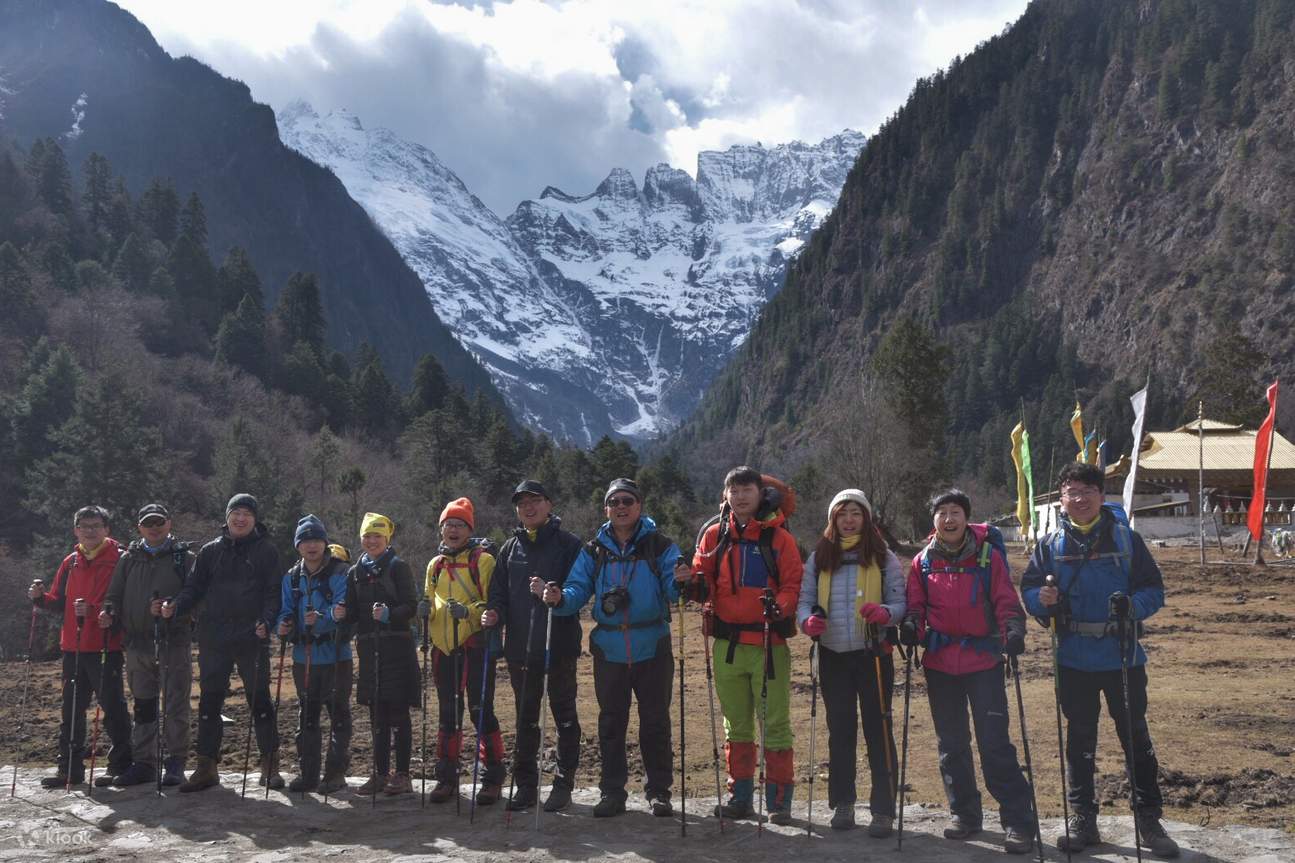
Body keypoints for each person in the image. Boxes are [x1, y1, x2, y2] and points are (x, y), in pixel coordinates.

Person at [1021, 463, 1179, 858]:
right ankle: (1082, 819)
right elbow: (1029, 590)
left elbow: (1153, 590)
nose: (1079, 498)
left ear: (1100, 495)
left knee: (1135, 737)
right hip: (1072, 655)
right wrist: (1040, 602)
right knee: (1079, 740)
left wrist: (1133, 606)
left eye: (1087, 490)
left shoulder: (1127, 540)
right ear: (1061, 498)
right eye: (1071, 491)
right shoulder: (1050, 544)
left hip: (1122, 656)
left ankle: (1149, 820)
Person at [539, 478, 687, 818]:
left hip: (653, 646)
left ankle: (659, 792)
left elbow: (674, 590)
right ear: (606, 508)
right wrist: (561, 599)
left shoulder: (661, 546)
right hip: (609, 651)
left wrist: (682, 581)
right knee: (611, 723)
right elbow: (577, 588)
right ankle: (612, 792)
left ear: (639, 505)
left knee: (655, 723)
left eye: (627, 501)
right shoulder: (594, 551)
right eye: (614, 502)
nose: (621, 507)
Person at [900, 489, 1035, 854]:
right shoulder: (923, 562)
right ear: (933, 521)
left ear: (966, 516)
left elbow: (1006, 600)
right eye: (941, 512)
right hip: (940, 664)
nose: (948, 518)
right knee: (952, 744)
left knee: (994, 744)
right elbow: (915, 604)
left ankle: (1019, 823)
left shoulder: (988, 557)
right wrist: (912, 625)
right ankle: (964, 815)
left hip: (984, 663)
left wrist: (1014, 630)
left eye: (955, 511)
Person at [690, 466, 803, 824]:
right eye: (734, 491)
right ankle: (740, 797)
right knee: (735, 725)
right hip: (727, 645)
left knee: (775, 724)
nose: (740, 497)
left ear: (760, 494)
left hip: (769, 645)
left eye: (747, 490)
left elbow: (792, 584)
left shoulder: (779, 539)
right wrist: (690, 585)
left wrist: (780, 607)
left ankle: (779, 802)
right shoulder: (713, 536)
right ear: (726, 496)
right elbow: (702, 576)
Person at [796, 489, 905, 835]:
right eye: (841, 513)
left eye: (855, 513)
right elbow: (804, 601)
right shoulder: (819, 556)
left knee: (879, 729)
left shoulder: (883, 557)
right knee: (840, 731)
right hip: (832, 656)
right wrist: (806, 622)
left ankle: (883, 810)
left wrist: (885, 614)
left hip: (872, 653)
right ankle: (843, 804)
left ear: (866, 518)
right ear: (833, 519)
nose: (848, 520)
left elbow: (900, 603)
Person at [162, 493, 282, 792]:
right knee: (209, 702)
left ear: (255, 519)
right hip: (213, 636)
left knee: (261, 700)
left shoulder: (266, 551)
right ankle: (206, 766)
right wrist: (175, 605)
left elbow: (273, 592)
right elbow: (193, 588)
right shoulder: (209, 552)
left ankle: (270, 765)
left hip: (252, 637)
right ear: (227, 517)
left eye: (247, 514)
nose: (240, 519)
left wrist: (267, 621)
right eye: (235, 513)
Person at [483, 479, 584, 813]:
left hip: (559, 647)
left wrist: (556, 594)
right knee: (526, 719)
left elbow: (579, 588)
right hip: (520, 651)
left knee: (564, 717)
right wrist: (494, 612)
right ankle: (526, 786)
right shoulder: (509, 549)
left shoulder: (569, 544)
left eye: (535, 500)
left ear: (549, 504)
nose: (528, 507)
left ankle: (563, 783)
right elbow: (497, 591)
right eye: (522, 502)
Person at [28, 505, 133, 789]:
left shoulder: (120, 558)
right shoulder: (70, 561)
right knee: (71, 709)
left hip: (105, 646)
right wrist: (39, 598)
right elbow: (59, 602)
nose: (90, 531)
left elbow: (128, 603)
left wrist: (98, 611)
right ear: (76, 530)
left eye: (96, 525)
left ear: (106, 529)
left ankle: (121, 766)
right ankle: (69, 770)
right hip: (72, 646)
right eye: (84, 526)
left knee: (113, 707)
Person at [101, 503, 195, 787]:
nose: (154, 528)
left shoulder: (185, 558)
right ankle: (144, 763)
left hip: (173, 642)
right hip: (137, 644)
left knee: (175, 705)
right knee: (143, 706)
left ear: (169, 524)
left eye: (159, 522)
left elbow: (196, 596)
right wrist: (108, 611)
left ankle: (175, 762)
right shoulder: (128, 559)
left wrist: (174, 608)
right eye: (148, 523)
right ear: (139, 527)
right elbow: (114, 594)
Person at [419, 497, 505, 805]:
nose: (453, 530)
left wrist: (467, 613)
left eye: (459, 525)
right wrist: (424, 611)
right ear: (441, 529)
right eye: (448, 525)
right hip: (444, 650)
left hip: (474, 647)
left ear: (469, 529)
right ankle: (446, 777)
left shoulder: (483, 561)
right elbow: (431, 602)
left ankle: (493, 777)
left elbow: (492, 604)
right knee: (447, 714)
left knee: (481, 712)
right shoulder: (434, 565)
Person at [340, 512, 420, 796]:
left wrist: (389, 615)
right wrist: (341, 614)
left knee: (398, 713)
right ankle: (379, 773)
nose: (371, 541)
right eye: (367, 536)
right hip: (369, 650)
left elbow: (411, 606)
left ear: (387, 538)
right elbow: (351, 612)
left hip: (397, 649)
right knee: (376, 715)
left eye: (377, 536)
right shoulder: (354, 572)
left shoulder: (398, 567)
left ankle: (402, 775)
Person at [275, 515, 353, 794]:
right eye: (305, 541)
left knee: (338, 715)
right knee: (307, 715)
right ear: (298, 546)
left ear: (325, 543)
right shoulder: (292, 577)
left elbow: (344, 609)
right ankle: (308, 775)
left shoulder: (341, 572)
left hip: (336, 655)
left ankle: (335, 774)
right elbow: (284, 609)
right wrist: (282, 626)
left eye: (317, 540)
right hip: (303, 656)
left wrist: (323, 618)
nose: (311, 546)